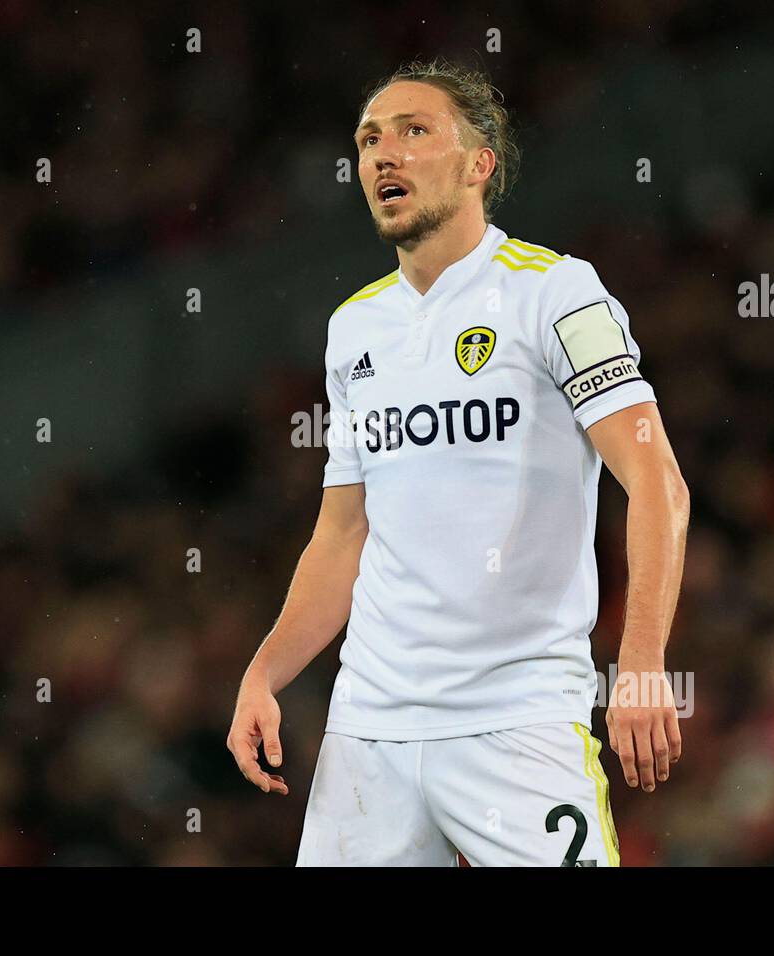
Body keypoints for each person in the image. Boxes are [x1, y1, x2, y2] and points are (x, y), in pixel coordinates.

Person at [227, 58, 691, 866]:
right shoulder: (355, 329)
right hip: (370, 727)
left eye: (414, 131)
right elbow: (343, 535)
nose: (383, 156)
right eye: (370, 139)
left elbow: (657, 482)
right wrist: (266, 670)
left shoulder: (557, 292)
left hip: (520, 719)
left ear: (480, 165)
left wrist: (642, 662)